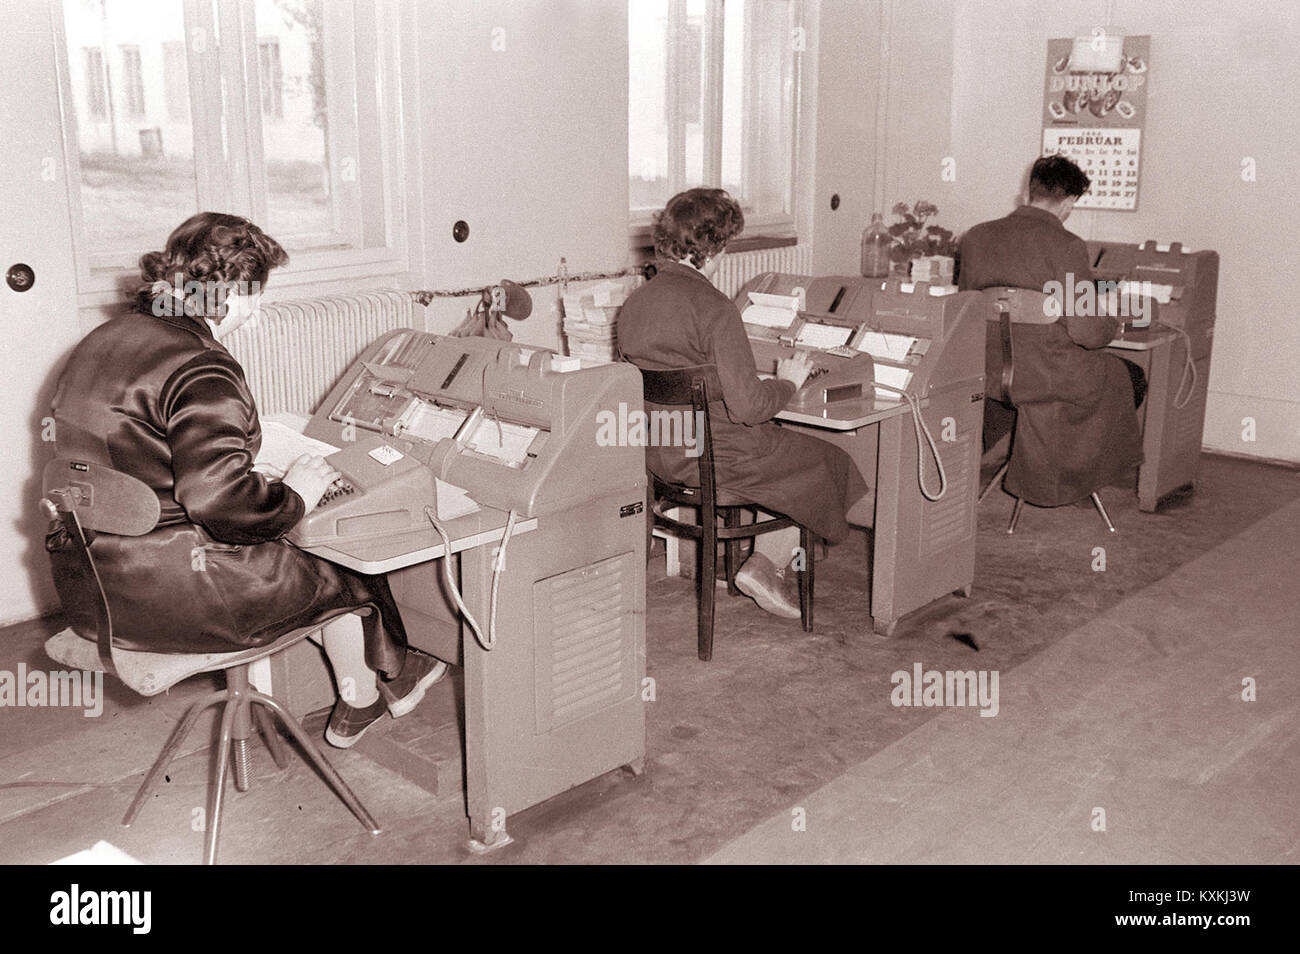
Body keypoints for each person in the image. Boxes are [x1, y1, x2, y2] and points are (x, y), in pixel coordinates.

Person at [48, 212, 445, 747]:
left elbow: (138, 457)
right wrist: (296, 493)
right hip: (177, 599)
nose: (257, 309)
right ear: (232, 292)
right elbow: (222, 505)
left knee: (308, 548)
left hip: (96, 585)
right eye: (257, 293)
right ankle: (382, 684)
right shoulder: (202, 366)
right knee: (341, 551)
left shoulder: (103, 340)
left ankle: (371, 692)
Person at [618, 188, 870, 619]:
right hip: (718, 461)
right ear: (715, 248)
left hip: (659, 456)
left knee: (790, 450)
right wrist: (787, 383)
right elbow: (750, 408)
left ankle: (784, 545)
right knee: (828, 460)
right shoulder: (715, 309)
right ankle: (766, 564)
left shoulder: (633, 304)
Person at [958, 155, 1144, 507]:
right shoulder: (1067, 245)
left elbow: (967, 312)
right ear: (1070, 202)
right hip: (1050, 377)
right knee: (1129, 376)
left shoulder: (976, 237)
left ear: (1029, 192)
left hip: (989, 374)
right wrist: (1114, 322)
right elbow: (1089, 333)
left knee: (1030, 387)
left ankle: (1033, 461)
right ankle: (1068, 473)